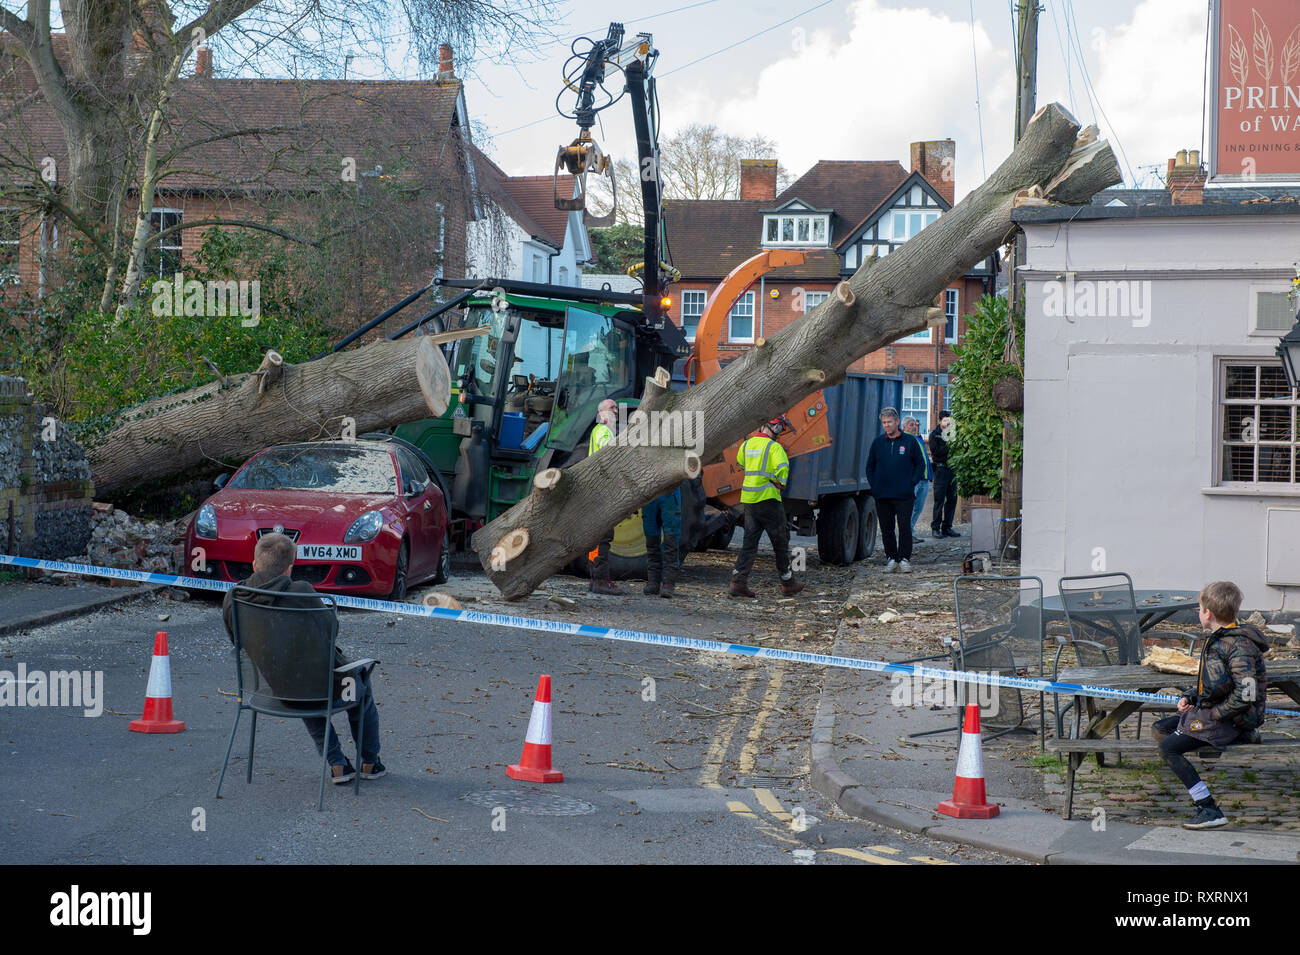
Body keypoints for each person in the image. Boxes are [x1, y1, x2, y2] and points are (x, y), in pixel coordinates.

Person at [221, 532, 384, 784]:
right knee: (358, 682)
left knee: (300, 682)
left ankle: (338, 764)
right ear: (289, 568)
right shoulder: (301, 592)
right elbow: (331, 631)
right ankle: (369, 762)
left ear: (254, 565)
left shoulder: (234, 598)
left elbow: (238, 642)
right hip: (314, 688)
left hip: (270, 690)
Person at [1152, 581, 1269, 830]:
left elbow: (1245, 694)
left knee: (1169, 749)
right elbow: (1217, 684)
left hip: (1232, 717)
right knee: (1161, 727)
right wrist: (1192, 697)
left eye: (1199, 608)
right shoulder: (1221, 639)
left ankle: (1208, 808)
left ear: (1208, 613)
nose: (1199, 612)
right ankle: (1243, 736)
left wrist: (1213, 714)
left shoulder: (1239, 646)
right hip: (1220, 712)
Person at [730, 416, 804, 598]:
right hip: (768, 499)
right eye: (778, 429)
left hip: (749, 499)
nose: (778, 433)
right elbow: (782, 474)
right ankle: (788, 582)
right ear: (773, 428)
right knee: (780, 541)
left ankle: (738, 583)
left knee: (749, 541)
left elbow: (741, 463)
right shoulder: (775, 448)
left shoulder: (746, 445)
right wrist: (777, 482)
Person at [865, 406, 924, 573]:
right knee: (886, 528)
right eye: (883, 423)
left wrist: (912, 482)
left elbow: (920, 464)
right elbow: (869, 466)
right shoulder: (878, 443)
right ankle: (891, 558)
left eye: (889, 422)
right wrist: (874, 486)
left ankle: (904, 558)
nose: (886, 425)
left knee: (905, 527)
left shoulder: (909, 441)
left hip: (904, 495)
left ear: (897, 422)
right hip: (882, 495)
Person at [587, 398, 623, 596]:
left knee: (597, 538)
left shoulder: (603, 431)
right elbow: (610, 454)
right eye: (612, 407)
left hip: (597, 490)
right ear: (602, 414)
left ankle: (596, 578)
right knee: (604, 536)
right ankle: (601, 579)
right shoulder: (603, 430)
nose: (616, 410)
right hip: (602, 492)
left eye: (616, 407)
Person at [642, 486, 681, 598]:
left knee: (671, 537)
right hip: (649, 492)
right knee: (651, 537)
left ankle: (668, 583)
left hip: (670, 492)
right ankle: (653, 581)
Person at [929, 414, 960, 539]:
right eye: (945, 420)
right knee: (939, 499)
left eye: (949, 420)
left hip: (951, 469)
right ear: (939, 421)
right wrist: (948, 447)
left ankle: (947, 527)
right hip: (940, 469)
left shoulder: (952, 433)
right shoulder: (934, 434)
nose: (947, 423)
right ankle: (935, 528)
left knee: (952, 499)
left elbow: (957, 450)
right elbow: (936, 452)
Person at [903, 417, 932, 535]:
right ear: (904, 427)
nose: (914, 427)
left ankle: (910, 531)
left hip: (924, 479)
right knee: (909, 507)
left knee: (918, 508)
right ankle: (906, 533)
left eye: (915, 424)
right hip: (913, 480)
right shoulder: (904, 440)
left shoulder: (918, 439)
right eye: (911, 425)